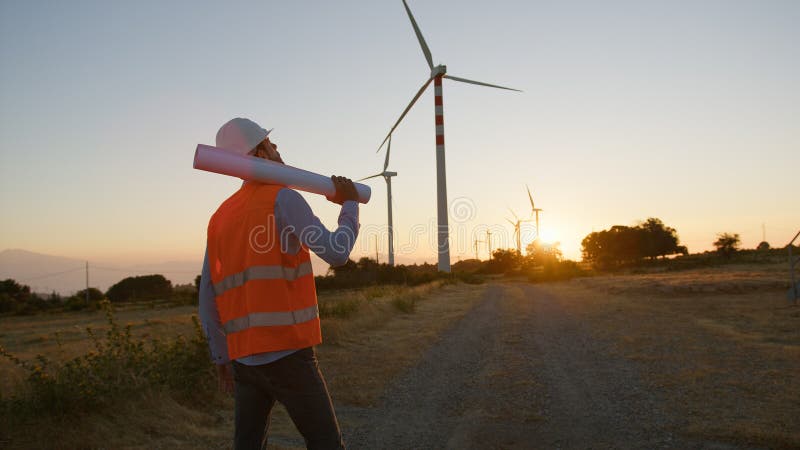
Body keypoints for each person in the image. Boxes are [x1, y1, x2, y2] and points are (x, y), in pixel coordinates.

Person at [198, 117, 359, 450]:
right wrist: (350, 204)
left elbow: (207, 297)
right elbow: (337, 252)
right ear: (259, 151)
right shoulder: (283, 198)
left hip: (244, 361)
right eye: (271, 143)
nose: (277, 148)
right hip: (288, 356)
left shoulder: (220, 218)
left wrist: (221, 359)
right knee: (327, 443)